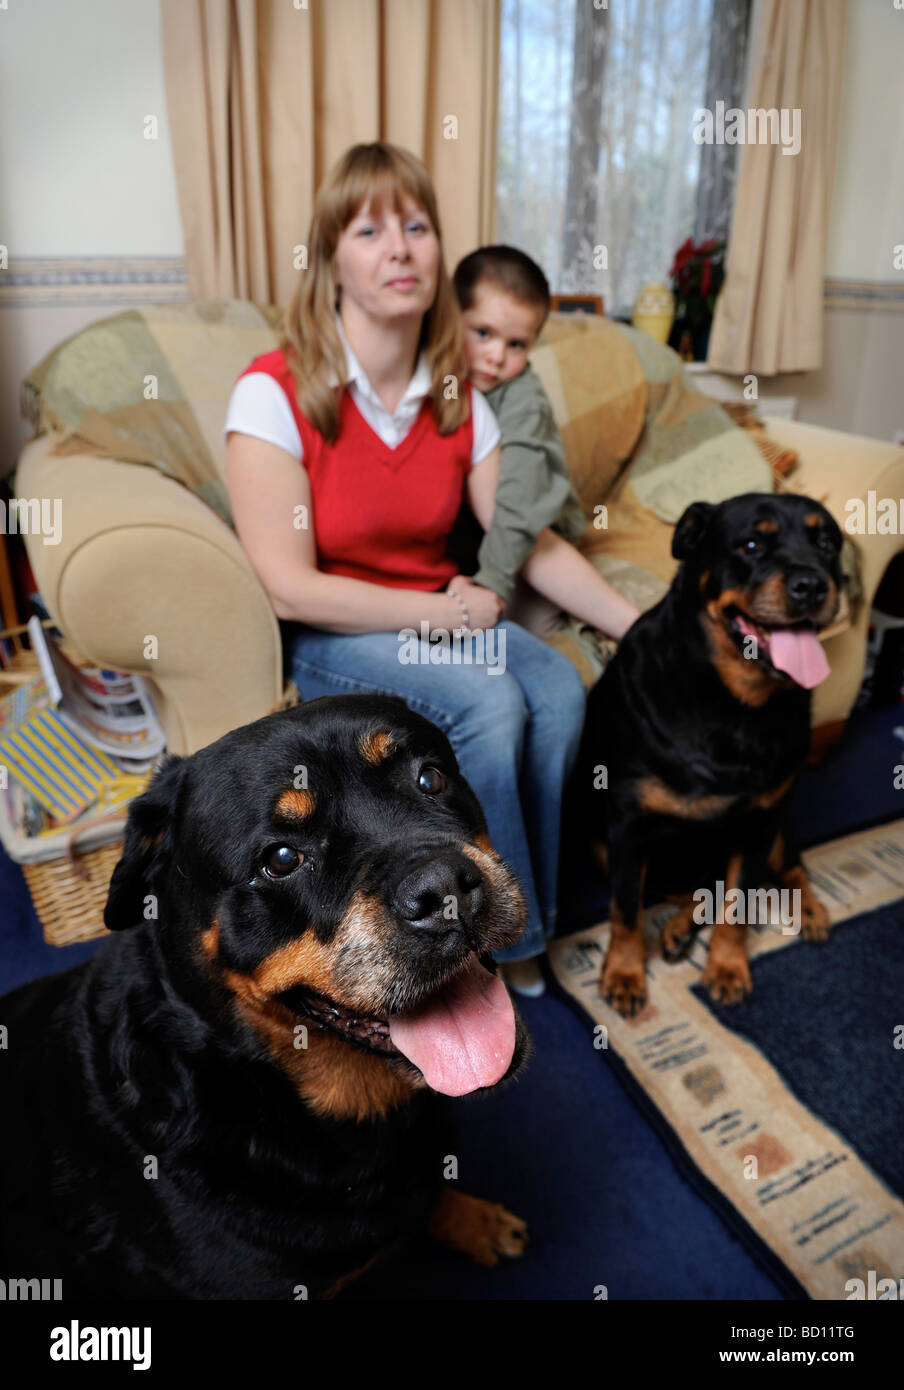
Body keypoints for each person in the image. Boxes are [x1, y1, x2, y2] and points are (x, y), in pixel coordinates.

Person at [223, 142, 584, 994]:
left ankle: (536, 913)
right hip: (330, 629)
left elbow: (522, 531)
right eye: (370, 228)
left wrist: (633, 622)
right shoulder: (274, 391)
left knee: (560, 691)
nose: (401, 248)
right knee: (489, 703)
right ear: (333, 262)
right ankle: (503, 935)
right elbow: (287, 584)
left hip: (434, 606)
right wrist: (431, 613)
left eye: (418, 226)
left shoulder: (461, 394)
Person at [450, 243, 640, 642]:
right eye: (483, 333)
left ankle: (636, 633)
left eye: (516, 344)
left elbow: (518, 508)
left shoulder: (523, 400)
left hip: (529, 535)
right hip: (465, 537)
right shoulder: (437, 376)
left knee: (529, 638)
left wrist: (490, 586)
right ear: (451, 319)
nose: (496, 356)